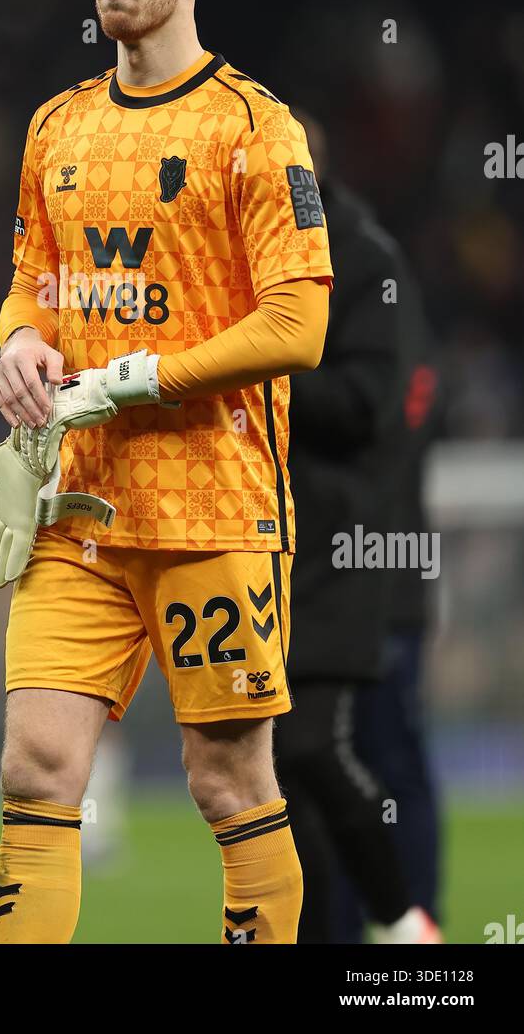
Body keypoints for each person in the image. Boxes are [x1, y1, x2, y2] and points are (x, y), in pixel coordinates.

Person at [0, 0, 334, 944]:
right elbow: (35, 277)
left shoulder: (254, 130)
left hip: (212, 504)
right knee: (35, 763)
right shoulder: (54, 127)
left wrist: (138, 375)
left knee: (225, 781)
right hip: (79, 512)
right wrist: (20, 340)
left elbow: (296, 325)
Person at [274, 114, 441, 943]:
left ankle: (408, 923)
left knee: (332, 751)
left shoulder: (366, 260)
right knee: (271, 767)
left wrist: (253, 376)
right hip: (266, 547)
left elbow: (380, 408)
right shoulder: (252, 260)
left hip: (347, 552)